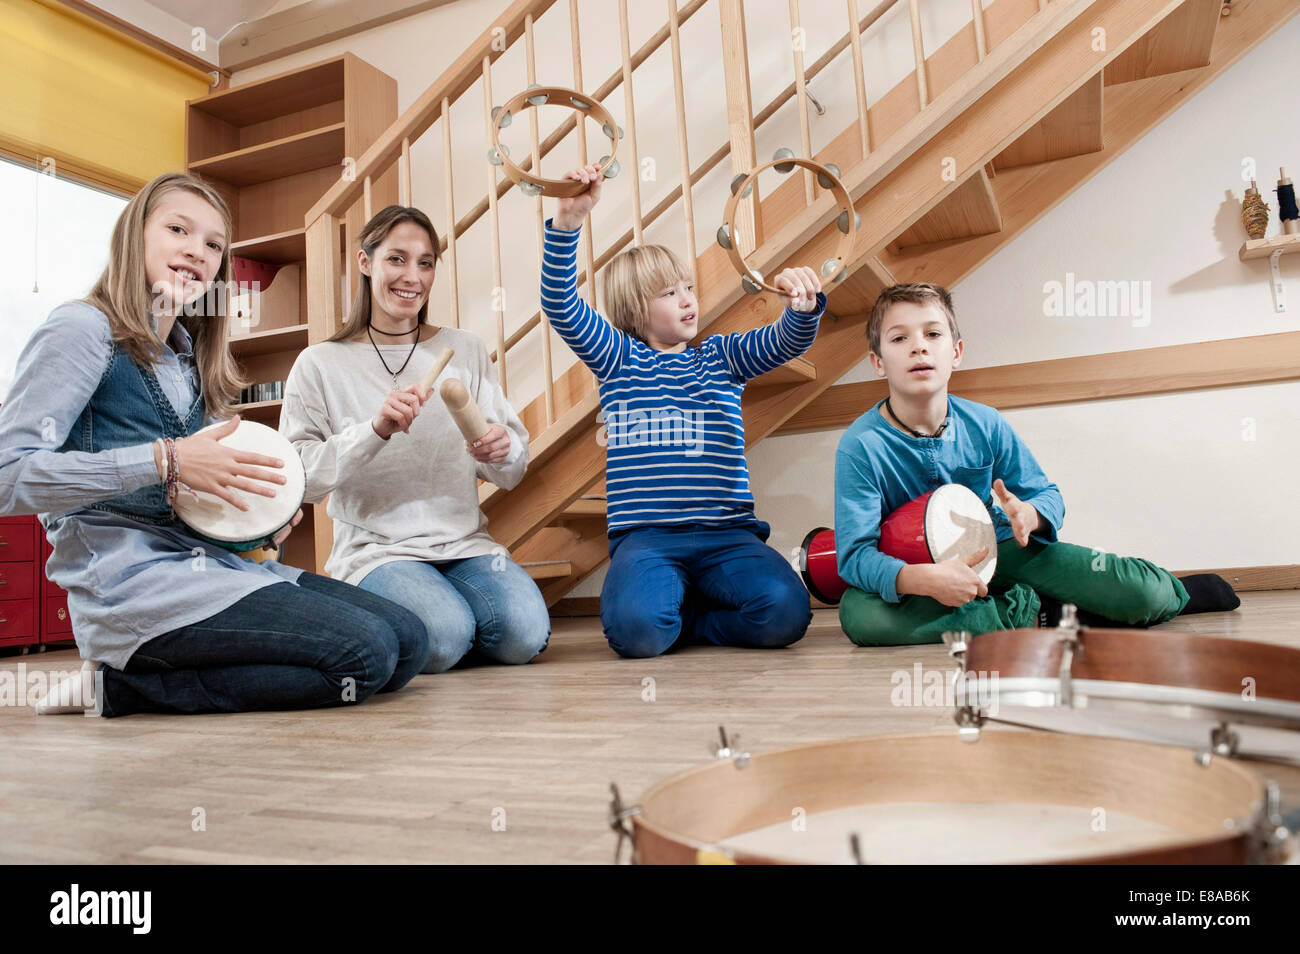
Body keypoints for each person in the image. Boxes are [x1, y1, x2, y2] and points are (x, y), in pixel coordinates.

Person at [0, 172, 427, 716]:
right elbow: (8, 477)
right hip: (130, 584)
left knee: (409, 641)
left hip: (206, 565)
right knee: (364, 655)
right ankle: (116, 685)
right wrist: (164, 460)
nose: (196, 252)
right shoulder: (82, 328)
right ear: (135, 235)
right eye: (178, 229)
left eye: (213, 244)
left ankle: (145, 671)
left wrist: (256, 521)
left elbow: (197, 497)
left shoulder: (189, 358)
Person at [834, 282, 1240, 645]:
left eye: (933, 334)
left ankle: (1167, 593)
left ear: (955, 352)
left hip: (1002, 550)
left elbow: (1047, 495)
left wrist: (1031, 515)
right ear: (877, 361)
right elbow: (854, 556)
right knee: (861, 618)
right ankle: (1033, 611)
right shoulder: (860, 445)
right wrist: (917, 579)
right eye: (900, 337)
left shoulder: (986, 423)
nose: (919, 346)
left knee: (1144, 596)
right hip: (919, 572)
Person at [540, 163, 824, 658]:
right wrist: (567, 226)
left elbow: (782, 342)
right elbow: (561, 303)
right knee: (637, 633)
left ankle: (693, 622)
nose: (688, 301)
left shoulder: (722, 357)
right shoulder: (617, 357)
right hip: (648, 540)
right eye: (668, 294)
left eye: (687, 287)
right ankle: (674, 613)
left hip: (728, 533)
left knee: (786, 613)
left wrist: (802, 310)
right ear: (633, 312)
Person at [280, 205, 549, 674]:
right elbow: (301, 480)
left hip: (465, 545)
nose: (413, 276)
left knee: (524, 636)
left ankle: (439, 622)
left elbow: (512, 472)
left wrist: (503, 447)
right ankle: (425, 618)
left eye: (426, 263)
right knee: (443, 638)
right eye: (397, 259)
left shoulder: (463, 349)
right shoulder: (319, 363)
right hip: (377, 552)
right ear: (366, 263)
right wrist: (374, 431)